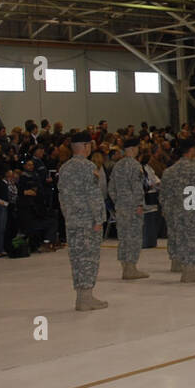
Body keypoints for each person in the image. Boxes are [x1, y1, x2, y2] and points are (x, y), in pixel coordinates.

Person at [58, 131, 109, 310]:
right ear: (86, 146)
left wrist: (68, 216)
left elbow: (61, 197)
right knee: (89, 258)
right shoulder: (88, 167)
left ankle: (81, 296)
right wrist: (99, 219)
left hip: (72, 221)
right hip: (88, 221)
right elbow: (94, 196)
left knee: (77, 258)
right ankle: (86, 297)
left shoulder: (64, 168)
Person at [159, 137, 195, 282]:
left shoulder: (169, 170)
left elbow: (163, 194)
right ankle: (189, 271)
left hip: (173, 210)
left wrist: (167, 209)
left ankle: (177, 263)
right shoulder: (194, 169)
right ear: (191, 150)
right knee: (191, 237)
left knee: (177, 236)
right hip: (189, 207)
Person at [109, 138, 150, 280]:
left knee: (123, 237)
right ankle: (131, 268)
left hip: (121, 207)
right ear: (133, 149)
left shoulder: (117, 165)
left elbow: (111, 188)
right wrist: (139, 204)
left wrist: (118, 202)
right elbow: (138, 188)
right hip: (133, 207)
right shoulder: (135, 165)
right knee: (133, 237)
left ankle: (125, 267)